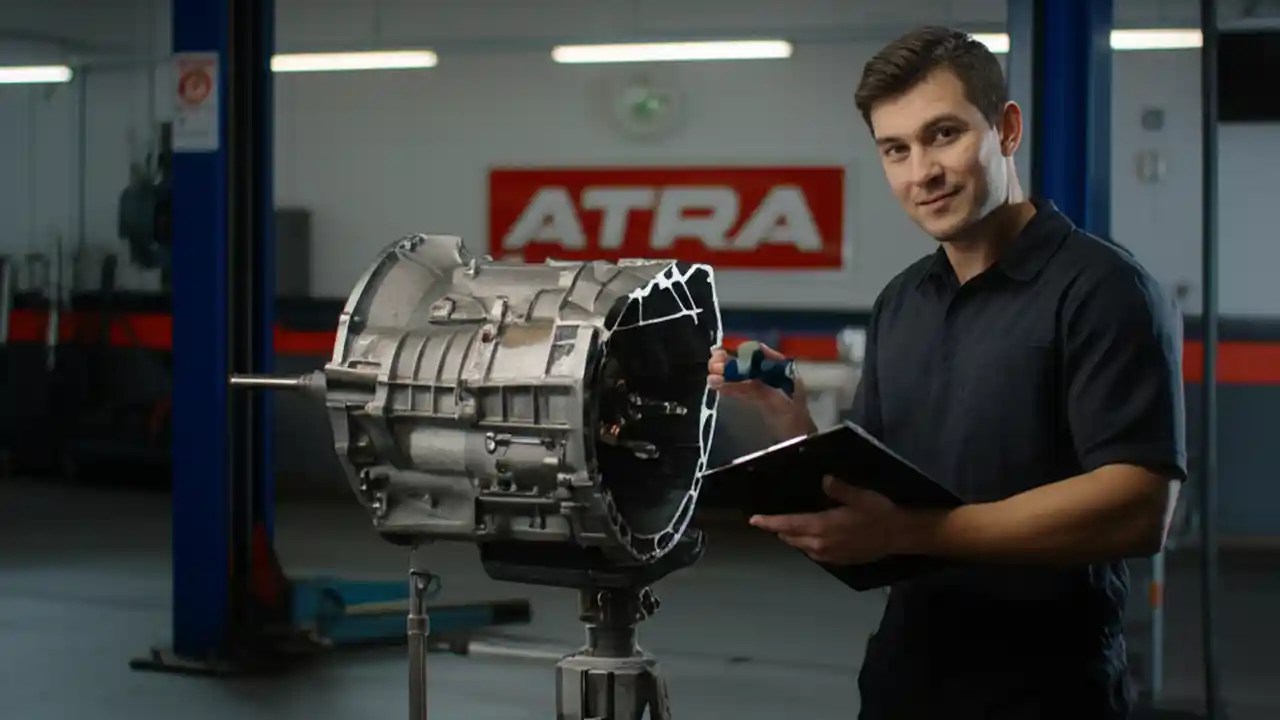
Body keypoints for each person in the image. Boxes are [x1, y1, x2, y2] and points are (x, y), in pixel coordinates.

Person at [706, 26, 1187, 720]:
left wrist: (912, 534)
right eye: (895, 149)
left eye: (944, 135)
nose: (921, 172)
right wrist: (792, 426)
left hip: (1046, 692)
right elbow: (873, 505)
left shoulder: (1101, 290)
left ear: (1007, 129)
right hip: (905, 681)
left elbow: (1138, 508)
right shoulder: (901, 302)